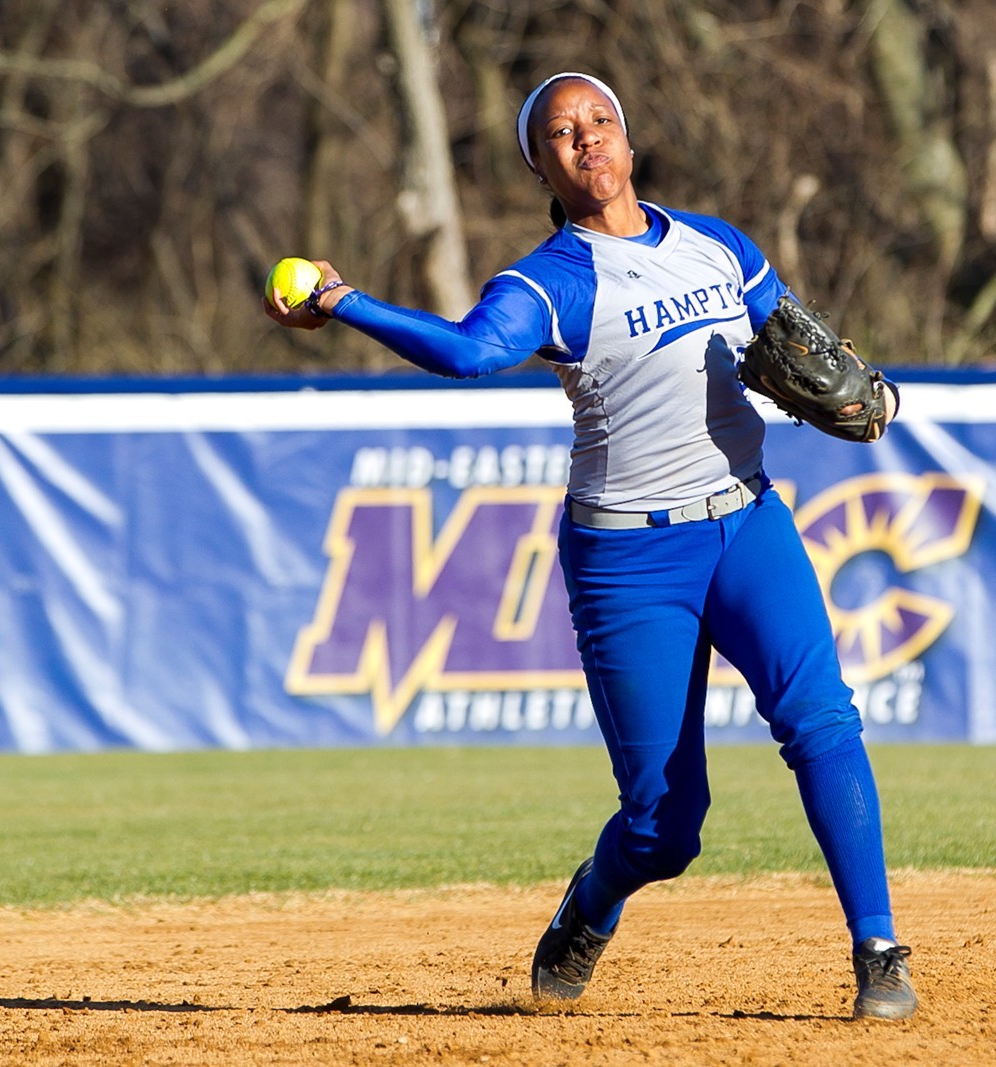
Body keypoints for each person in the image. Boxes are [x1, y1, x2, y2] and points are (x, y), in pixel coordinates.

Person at [264, 71, 917, 1021]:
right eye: (562, 133)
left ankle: (879, 949)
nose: (587, 138)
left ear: (629, 138)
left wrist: (845, 386)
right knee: (664, 827)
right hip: (629, 562)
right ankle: (592, 901)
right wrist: (345, 302)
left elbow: (792, 341)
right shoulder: (550, 282)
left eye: (599, 119)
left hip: (745, 520)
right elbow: (470, 352)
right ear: (541, 166)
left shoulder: (719, 246)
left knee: (822, 719)